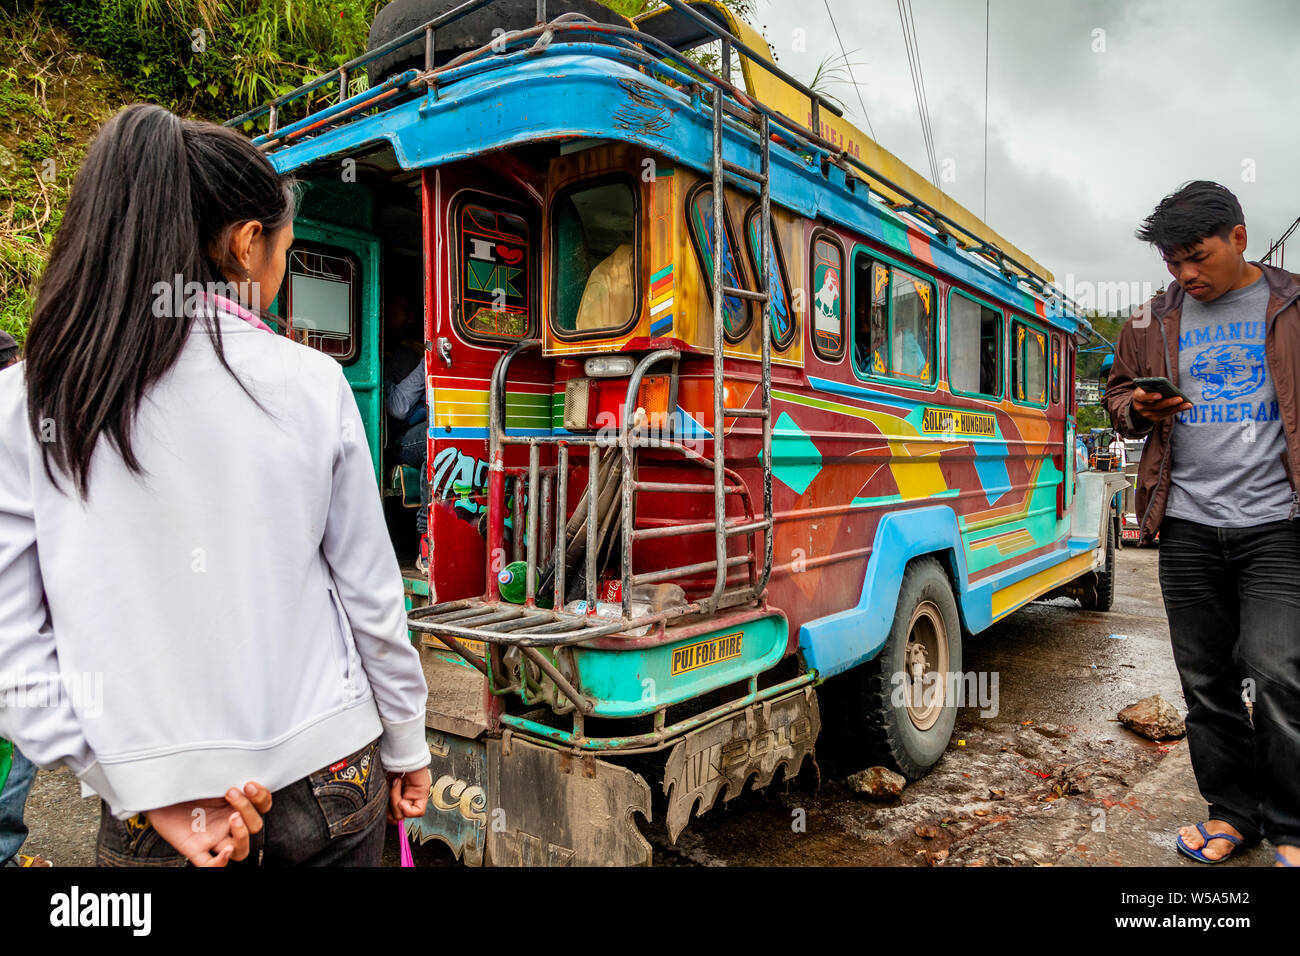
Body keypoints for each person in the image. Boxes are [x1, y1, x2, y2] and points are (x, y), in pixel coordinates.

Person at [0, 103, 431, 867]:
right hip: (329, 777)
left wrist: (133, 783)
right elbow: (371, 597)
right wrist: (406, 741)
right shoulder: (311, 385)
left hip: (152, 809)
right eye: (285, 254)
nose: (280, 274)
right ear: (243, 245)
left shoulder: (27, 400)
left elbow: (12, 644)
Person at [1105, 180, 1300, 868]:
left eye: (1196, 255)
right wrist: (1139, 410)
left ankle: (1291, 828)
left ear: (1238, 237)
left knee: (1277, 674)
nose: (1186, 273)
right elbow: (1116, 394)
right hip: (1185, 523)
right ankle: (1231, 816)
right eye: (1172, 262)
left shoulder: (1292, 303)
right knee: (1207, 684)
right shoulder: (1149, 318)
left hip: (1278, 523)